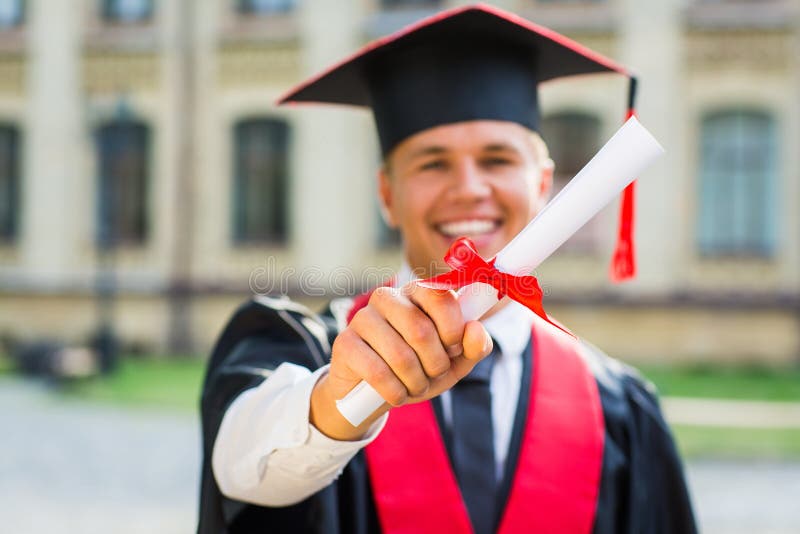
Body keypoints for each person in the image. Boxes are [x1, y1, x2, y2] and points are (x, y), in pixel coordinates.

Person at [197, 5, 697, 534]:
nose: (468, 189)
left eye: (497, 159)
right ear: (387, 194)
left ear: (544, 183)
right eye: (432, 162)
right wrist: (334, 403)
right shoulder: (307, 354)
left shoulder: (618, 405)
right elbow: (241, 466)